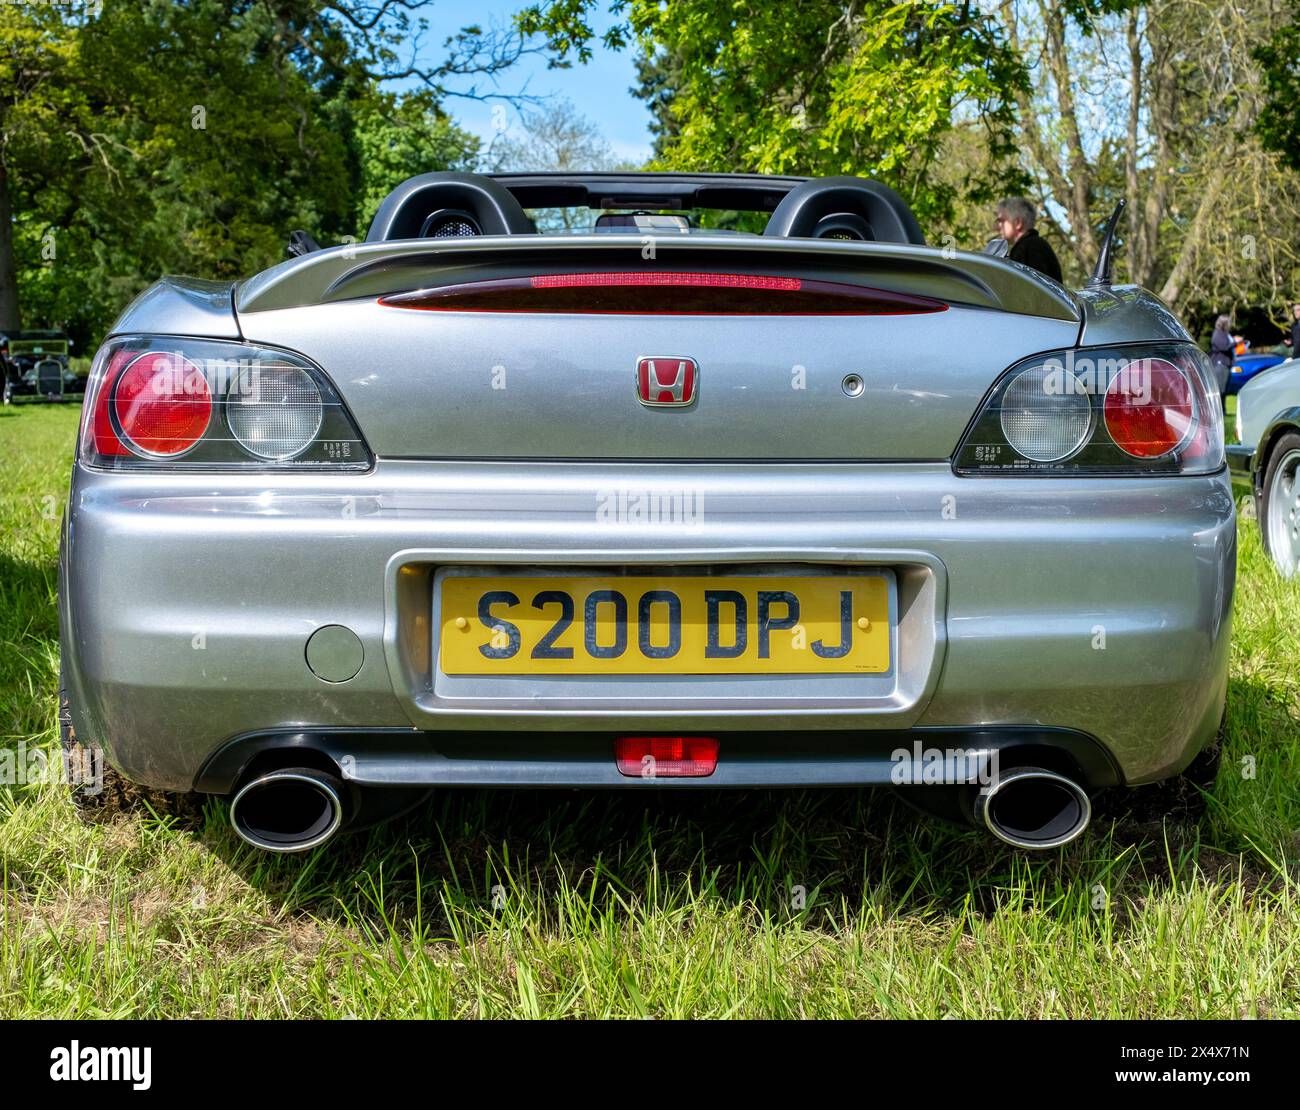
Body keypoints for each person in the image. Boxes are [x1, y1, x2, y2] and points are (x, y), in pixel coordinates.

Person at [995, 197, 1063, 283]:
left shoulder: (1031, 247)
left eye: (1002, 221)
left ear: (1017, 223)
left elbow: (1033, 290)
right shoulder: (1031, 245)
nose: (998, 227)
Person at [1209, 315, 1234, 396]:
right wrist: (1235, 343)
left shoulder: (1224, 334)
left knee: (1223, 391)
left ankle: (1223, 409)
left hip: (1225, 364)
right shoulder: (1218, 334)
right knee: (1220, 391)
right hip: (1220, 365)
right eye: (1228, 323)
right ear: (1224, 324)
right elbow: (1224, 347)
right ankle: (1220, 409)